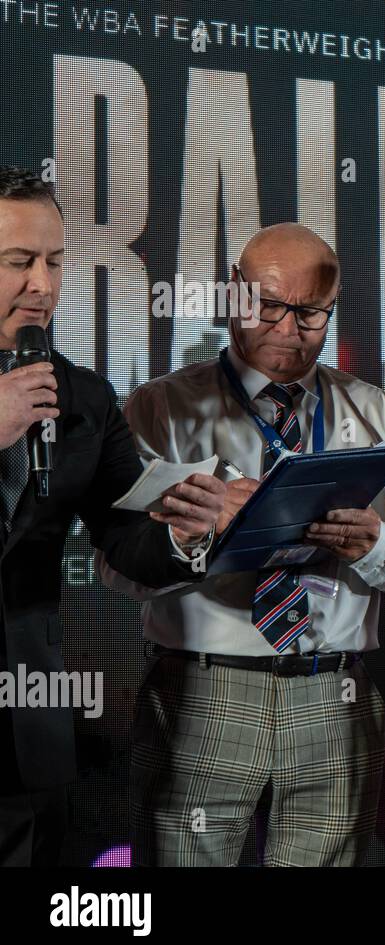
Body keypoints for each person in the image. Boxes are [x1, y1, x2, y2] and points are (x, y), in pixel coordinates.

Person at [98, 223, 385, 866]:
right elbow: (116, 568)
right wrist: (188, 532)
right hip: (202, 691)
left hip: (335, 696)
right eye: (267, 306)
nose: (287, 330)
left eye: (311, 313)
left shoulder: (376, 413)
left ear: (333, 307)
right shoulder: (159, 409)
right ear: (234, 294)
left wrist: (375, 543)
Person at [0, 166, 224, 867]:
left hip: (25, 720)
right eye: (18, 262)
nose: (43, 284)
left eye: (55, 262)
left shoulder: (85, 398)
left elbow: (126, 537)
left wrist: (185, 534)